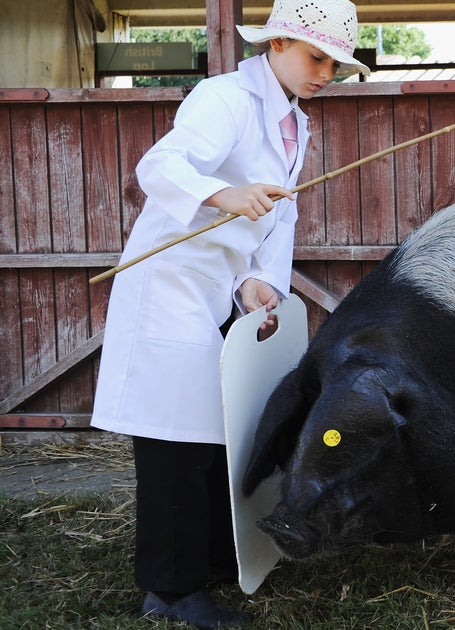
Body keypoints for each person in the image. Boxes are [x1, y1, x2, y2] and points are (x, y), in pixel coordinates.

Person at [90, 1, 369, 627]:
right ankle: (169, 591)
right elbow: (161, 166)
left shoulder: (293, 122)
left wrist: (258, 282)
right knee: (174, 442)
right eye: (317, 57)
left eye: (337, 64)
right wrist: (224, 194)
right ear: (277, 45)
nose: (327, 73)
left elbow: (280, 216)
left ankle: (215, 558)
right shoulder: (224, 99)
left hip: (220, 287)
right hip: (172, 283)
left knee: (218, 432)